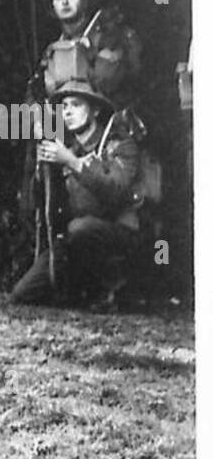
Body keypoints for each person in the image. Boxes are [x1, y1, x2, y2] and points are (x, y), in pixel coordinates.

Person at [10, 79, 141, 308]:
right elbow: (43, 208)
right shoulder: (65, 147)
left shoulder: (119, 144)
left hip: (118, 233)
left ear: (95, 110)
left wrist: (71, 162)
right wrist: (43, 167)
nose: (68, 112)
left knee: (82, 229)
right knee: (23, 294)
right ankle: (81, 288)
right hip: (75, 236)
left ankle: (111, 289)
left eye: (76, 105)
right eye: (64, 106)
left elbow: (116, 191)